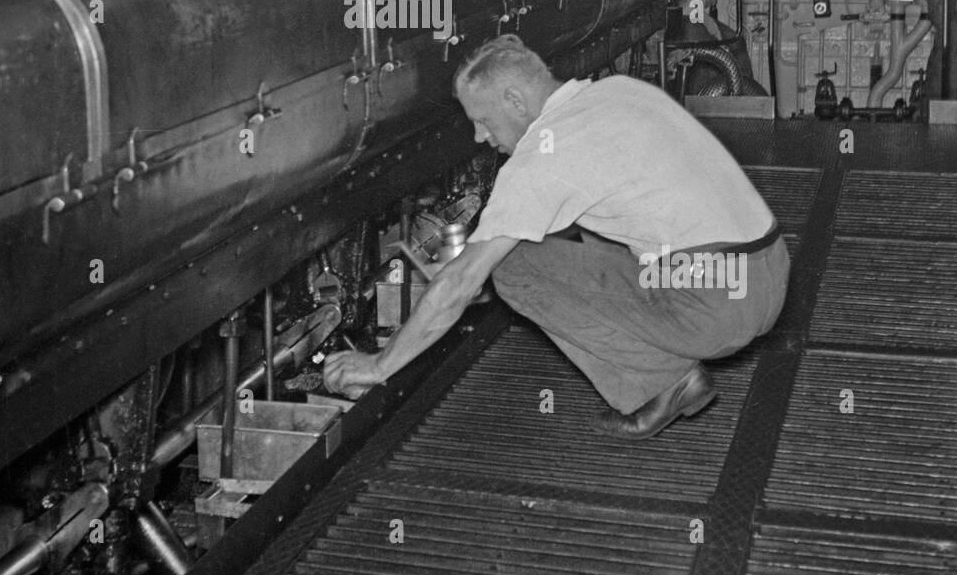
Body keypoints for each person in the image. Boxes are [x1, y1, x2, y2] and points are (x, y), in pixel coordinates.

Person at [323, 34, 789, 439]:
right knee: (593, 224)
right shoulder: (617, 91)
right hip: (766, 273)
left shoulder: (541, 158)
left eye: (482, 120)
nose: (481, 137)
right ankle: (667, 369)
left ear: (515, 101)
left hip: (716, 308)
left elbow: (462, 281)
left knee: (514, 267)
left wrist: (381, 364)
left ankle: (666, 382)